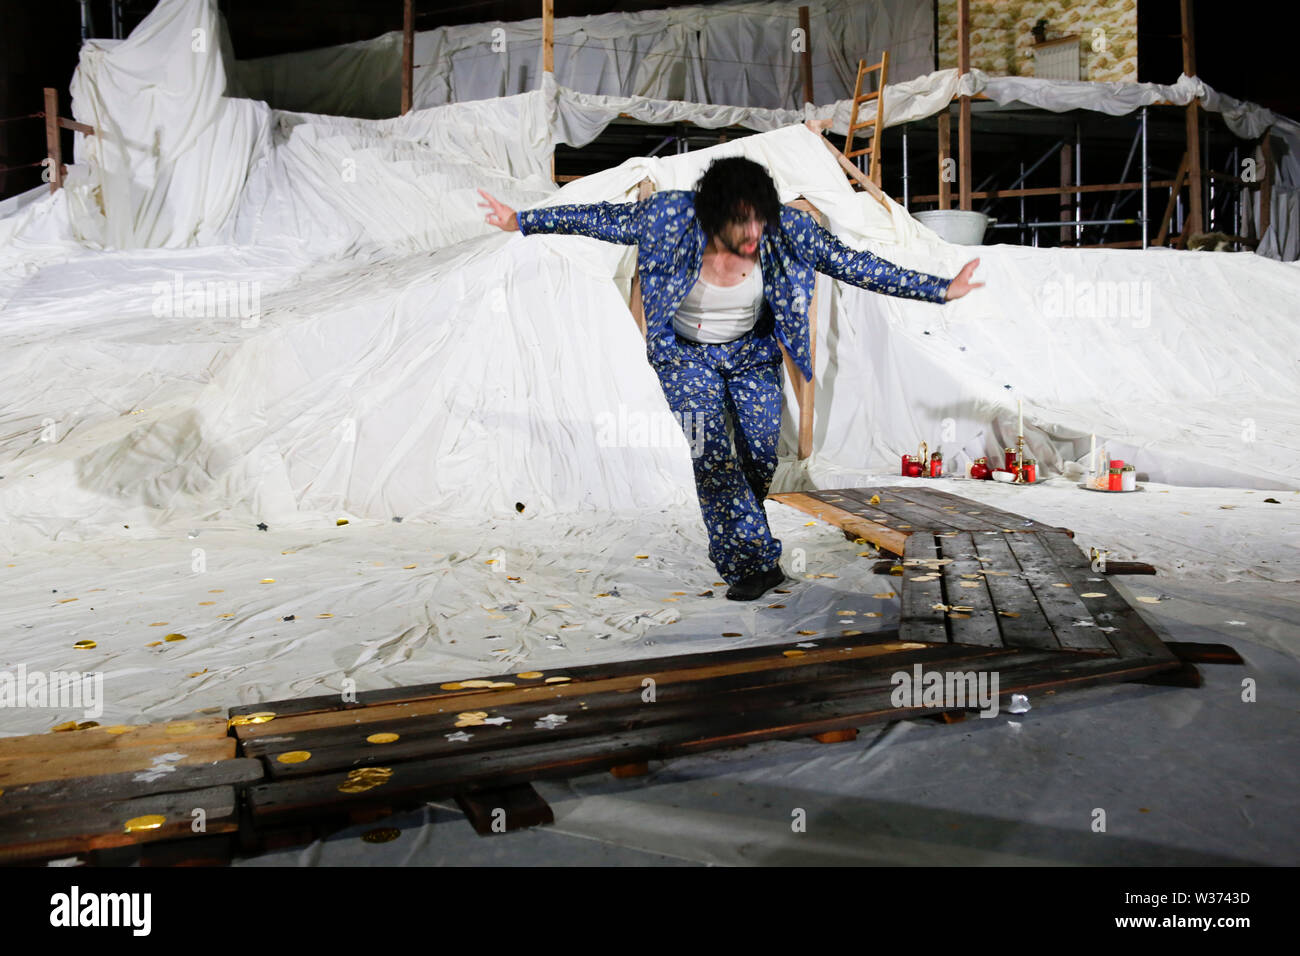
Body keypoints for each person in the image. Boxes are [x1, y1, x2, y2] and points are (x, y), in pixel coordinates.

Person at [478, 155, 982, 601]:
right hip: (684, 357)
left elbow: (854, 264)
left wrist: (940, 289)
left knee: (759, 458)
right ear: (711, 215)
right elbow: (594, 218)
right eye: (741, 224)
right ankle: (754, 566)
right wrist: (520, 220)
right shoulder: (668, 218)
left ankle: (746, 536)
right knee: (713, 455)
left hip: (752, 353)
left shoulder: (788, 231)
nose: (753, 236)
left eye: (760, 221)